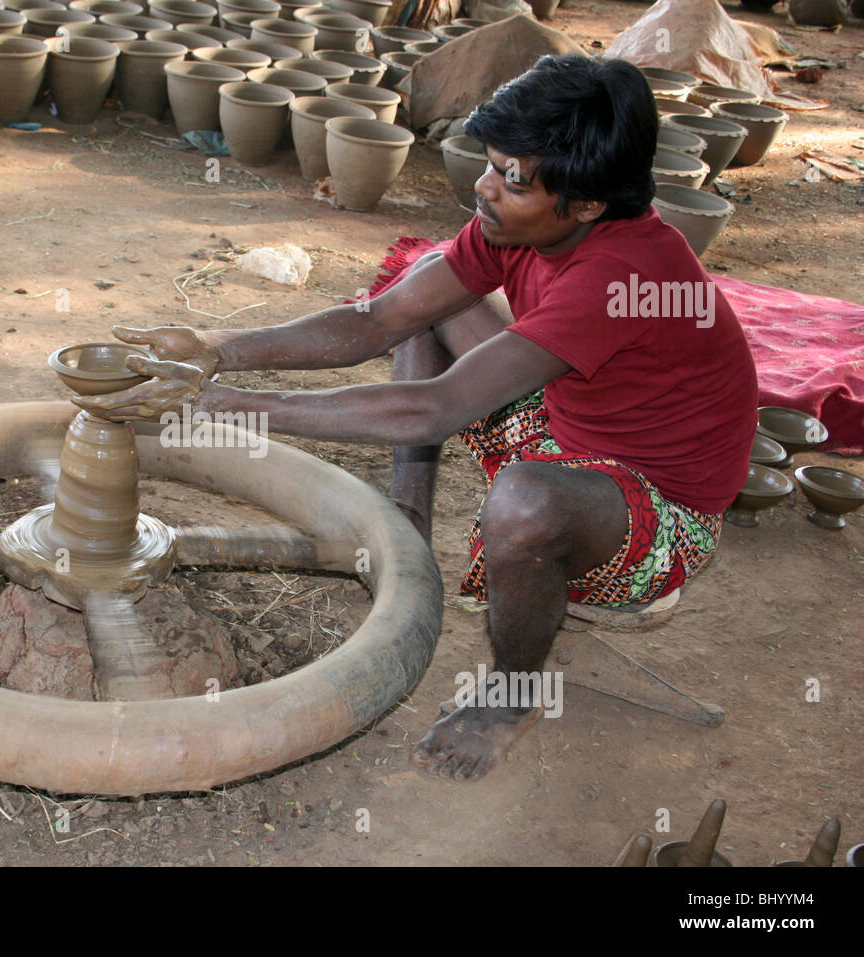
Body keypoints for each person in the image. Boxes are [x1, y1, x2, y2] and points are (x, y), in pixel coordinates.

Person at [75, 54, 758, 780]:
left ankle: (512, 693)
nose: (484, 189)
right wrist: (214, 351)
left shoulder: (622, 278)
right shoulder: (518, 228)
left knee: (522, 504)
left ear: (587, 203)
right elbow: (378, 320)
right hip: (572, 426)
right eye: (491, 165)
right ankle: (407, 531)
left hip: (659, 513)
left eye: (513, 180)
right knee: (435, 304)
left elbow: (429, 408)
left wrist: (223, 407)